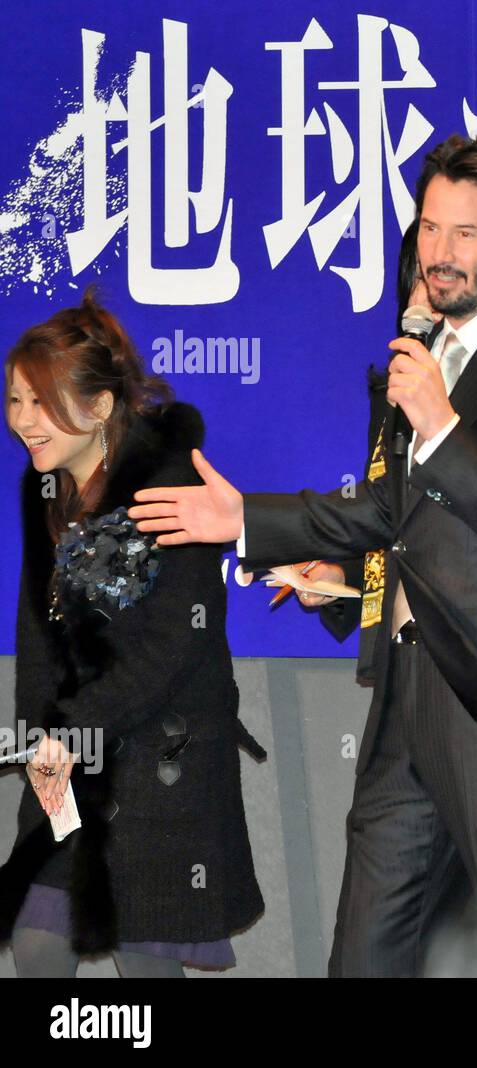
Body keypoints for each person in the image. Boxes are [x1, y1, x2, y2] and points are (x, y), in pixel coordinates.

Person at [129, 134, 477, 977]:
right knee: (365, 955)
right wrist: (250, 521)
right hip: (404, 696)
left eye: (466, 233)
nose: (438, 254)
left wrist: (445, 428)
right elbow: (392, 512)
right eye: (429, 228)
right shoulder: (418, 361)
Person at [0, 291, 264, 977]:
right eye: (16, 401)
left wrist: (74, 729)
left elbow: (177, 646)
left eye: (43, 404)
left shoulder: (167, 490)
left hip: (160, 760)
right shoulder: (45, 490)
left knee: (146, 966)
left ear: (100, 409)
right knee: (37, 944)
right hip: (71, 759)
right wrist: (38, 738)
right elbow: (37, 631)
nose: (24, 423)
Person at [289, 220, 434, 687]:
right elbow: (387, 518)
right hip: (397, 662)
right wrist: (334, 574)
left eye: (438, 280)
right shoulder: (392, 397)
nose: (420, 299)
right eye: (415, 279)